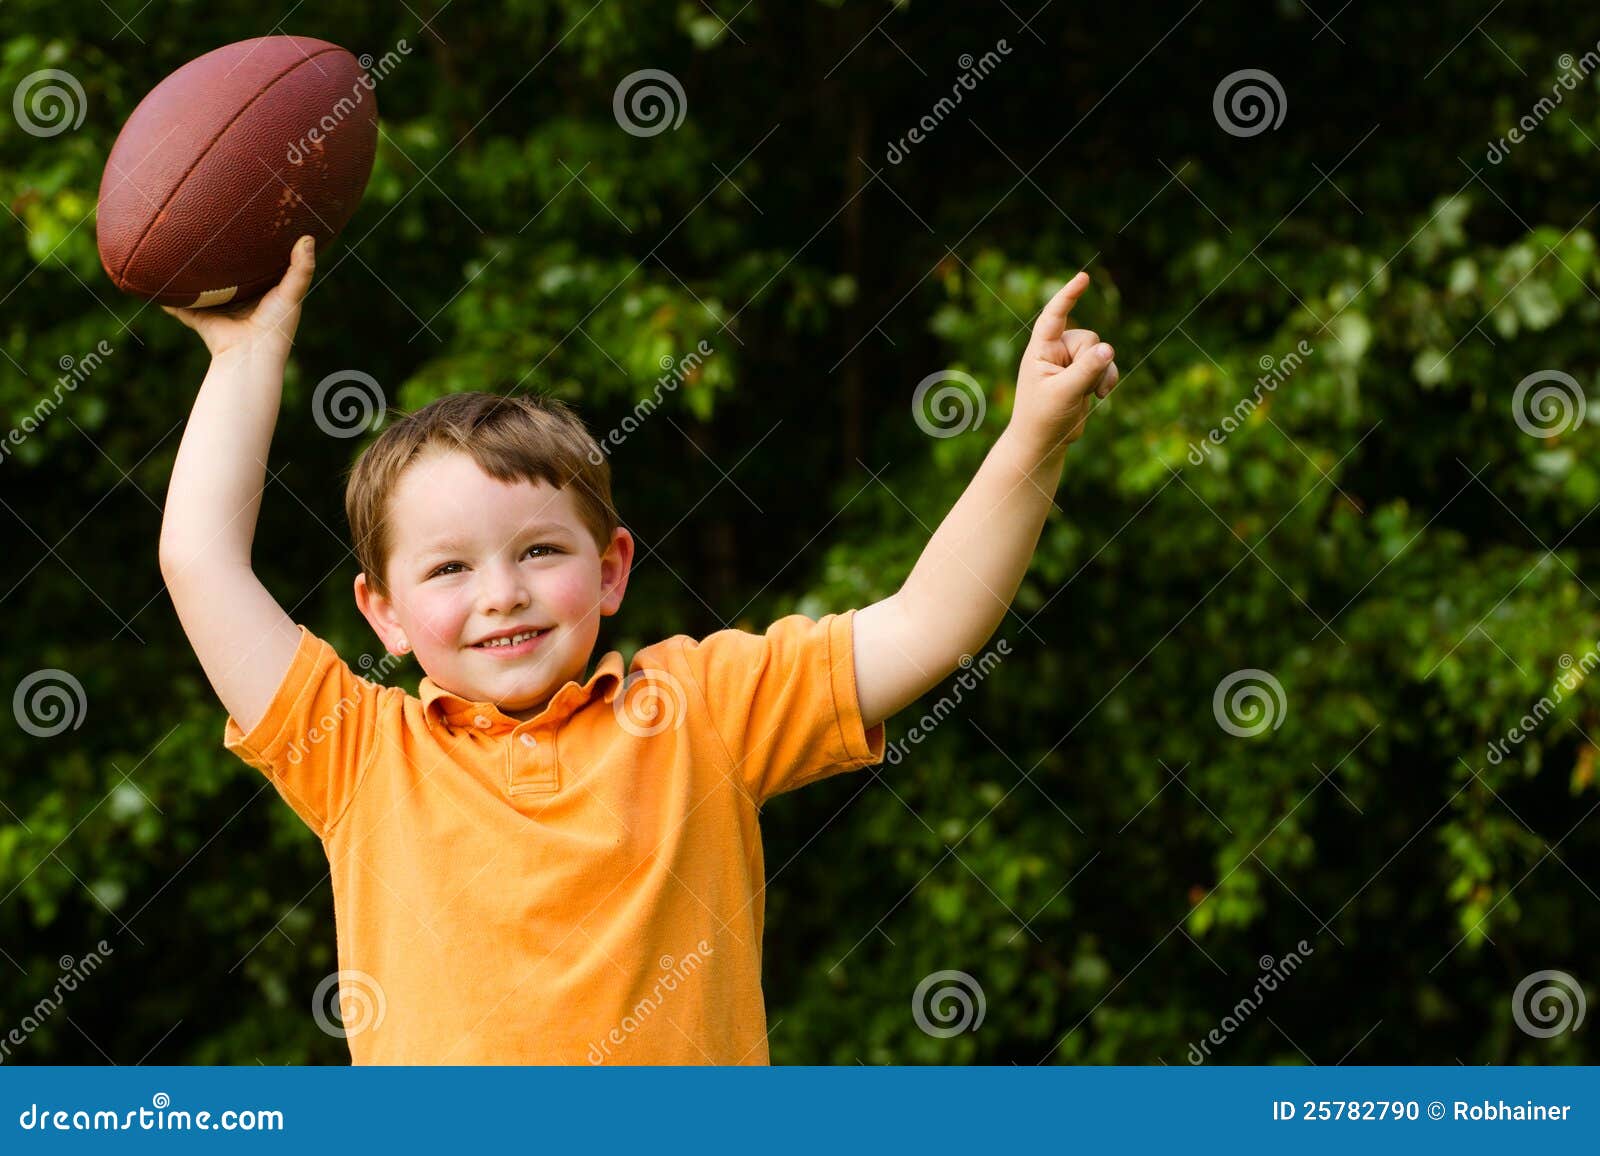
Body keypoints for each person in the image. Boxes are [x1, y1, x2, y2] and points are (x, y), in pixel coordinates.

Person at [158, 234, 1121, 1063]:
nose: (503, 595)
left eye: (539, 550)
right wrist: (249, 356)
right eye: (448, 570)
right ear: (385, 616)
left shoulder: (704, 706)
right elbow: (199, 559)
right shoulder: (358, 753)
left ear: (613, 568)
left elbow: (930, 624)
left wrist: (1036, 432)